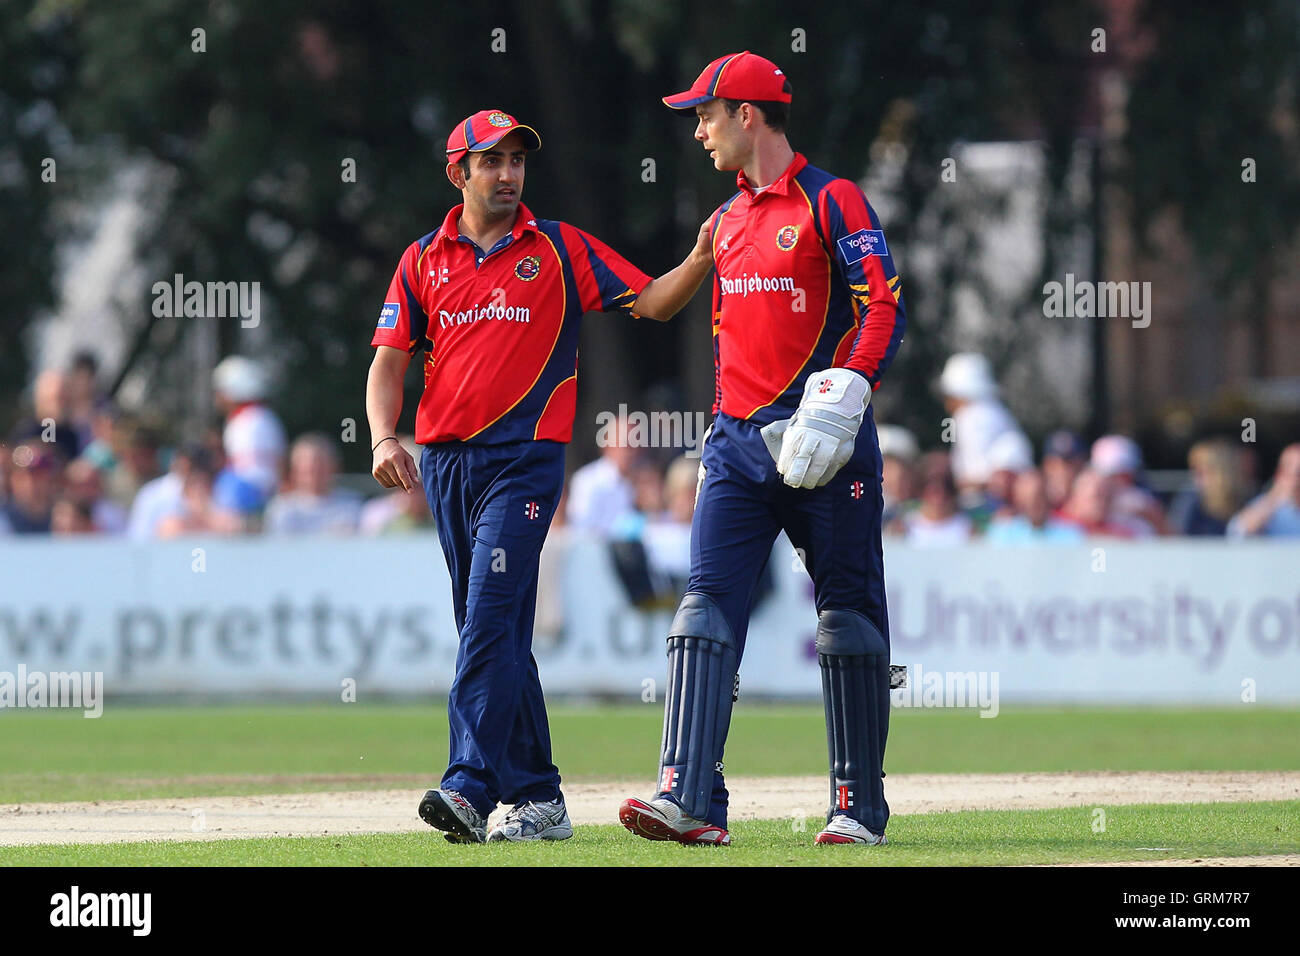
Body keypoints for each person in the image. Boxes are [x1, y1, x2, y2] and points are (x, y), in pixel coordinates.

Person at [365, 109, 713, 844]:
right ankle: (541, 799)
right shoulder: (422, 258)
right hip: (448, 463)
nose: (508, 174)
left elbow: (651, 300)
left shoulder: (557, 247)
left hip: (525, 462)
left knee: (489, 615)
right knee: (495, 629)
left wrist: (704, 257)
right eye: (492, 161)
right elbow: (388, 362)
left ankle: (467, 785)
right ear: (458, 173)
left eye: (517, 160)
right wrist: (382, 436)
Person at [619, 52, 906, 848]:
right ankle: (690, 799)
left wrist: (847, 390)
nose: (700, 131)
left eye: (706, 116)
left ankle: (858, 807)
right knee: (701, 610)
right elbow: (659, 305)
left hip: (827, 439)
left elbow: (882, 306)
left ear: (748, 114)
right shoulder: (727, 219)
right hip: (737, 447)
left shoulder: (831, 199)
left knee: (847, 621)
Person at [212, 355, 286, 511]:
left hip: (252, 496)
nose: (218, 398)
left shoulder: (251, 419)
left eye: (221, 392)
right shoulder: (263, 417)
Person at [263, 433, 362, 534]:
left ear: (334, 467)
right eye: (309, 469)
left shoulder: (353, 506)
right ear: (295, 471)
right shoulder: (281, 509)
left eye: (321, 468)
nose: (315, 475)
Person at [1228, 443, 1300, 538]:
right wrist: (1276, 495)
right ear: (1280, 473)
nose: (1296, 477)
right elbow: (1237, 532)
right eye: (1296, 472)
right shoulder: (1269, 505)